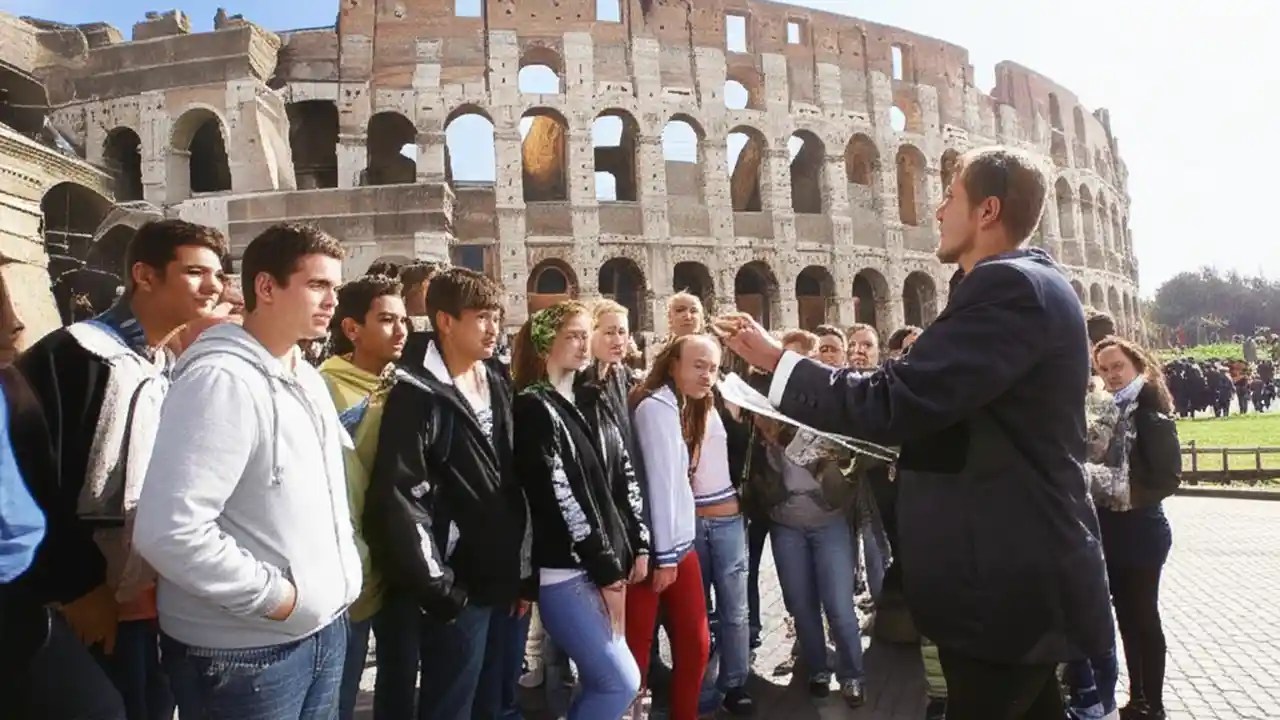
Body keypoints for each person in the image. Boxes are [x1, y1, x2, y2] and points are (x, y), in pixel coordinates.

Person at [719, 146, 1114, 719]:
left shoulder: (1009, 289)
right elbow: (942, 419)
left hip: (1004, 586)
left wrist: (779, 361)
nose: (936, 209)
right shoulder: (1022, 287)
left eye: (950, 195)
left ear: (987, 211)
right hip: (1014, 581)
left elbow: (895, 400)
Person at [133, 223, 362, 720]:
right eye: (317, 285)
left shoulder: (304, 375)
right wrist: (277, 599)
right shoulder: (220, 380)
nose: (331, 302)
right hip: (244, 655)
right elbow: (170, 530)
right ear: (265, 287)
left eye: (336, 289)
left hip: (320, 632)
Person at [17, 219, 229, 720]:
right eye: (196, 272)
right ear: (145, 275)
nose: (214, 287)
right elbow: (31, 479)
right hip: (85, 606)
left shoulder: (162, 362)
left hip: (148, 601)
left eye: (218, 275)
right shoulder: (77, 354)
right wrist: (75, 586)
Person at [365, 267, 531, 720]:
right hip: (457, 590)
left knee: (492, 702)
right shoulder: (414, 394)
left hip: (500, 580)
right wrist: (440, 588)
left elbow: (512, 476)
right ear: (445, 321)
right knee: (449, 706)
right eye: (481, 316)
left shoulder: (496, 378)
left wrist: (520, 570)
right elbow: (401, 496)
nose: (494, 327)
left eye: (496, 315)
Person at [512, 300, 648, 720]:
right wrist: (606, 566)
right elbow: (559, 493)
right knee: (620, 682)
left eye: (583, 334)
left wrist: (636, 542)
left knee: (611, 682)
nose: (582, 344)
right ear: (543, 345)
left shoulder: (582, 399)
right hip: (567, 569)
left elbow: (616, 478)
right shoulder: (535, 406)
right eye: (571, 335)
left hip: (597, 563)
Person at [319, 275, 410, 720]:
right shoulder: (325, 389)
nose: (401, 330)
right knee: (341, 689)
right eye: (387, 320)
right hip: (349, 566)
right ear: (352, 329)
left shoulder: (405, 386)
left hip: (399, 561)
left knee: (400, 682)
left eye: (404, 319)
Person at [627, 334, 719, 720]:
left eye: (713, 368)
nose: (707, 376)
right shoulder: (656, 408)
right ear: (673, 364)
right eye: (699, 366)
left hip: (679, 546)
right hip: (660, 552)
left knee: (694, 645)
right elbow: (661, 485)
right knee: (638, 650)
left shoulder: (673, 404)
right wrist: (664, 557)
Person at [1090, 337, 1180, 720]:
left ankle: (1153, 704)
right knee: (1126, 617)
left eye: (1117, 367)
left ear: (1137, 365)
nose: (1111, 375)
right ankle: (1137, 697)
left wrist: (1106, 482)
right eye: (1104, 369)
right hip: (1112, 527)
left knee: (1143, 615)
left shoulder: (1148, 411)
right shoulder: (1110, 409)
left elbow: (1167, 477)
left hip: (1142, 528)